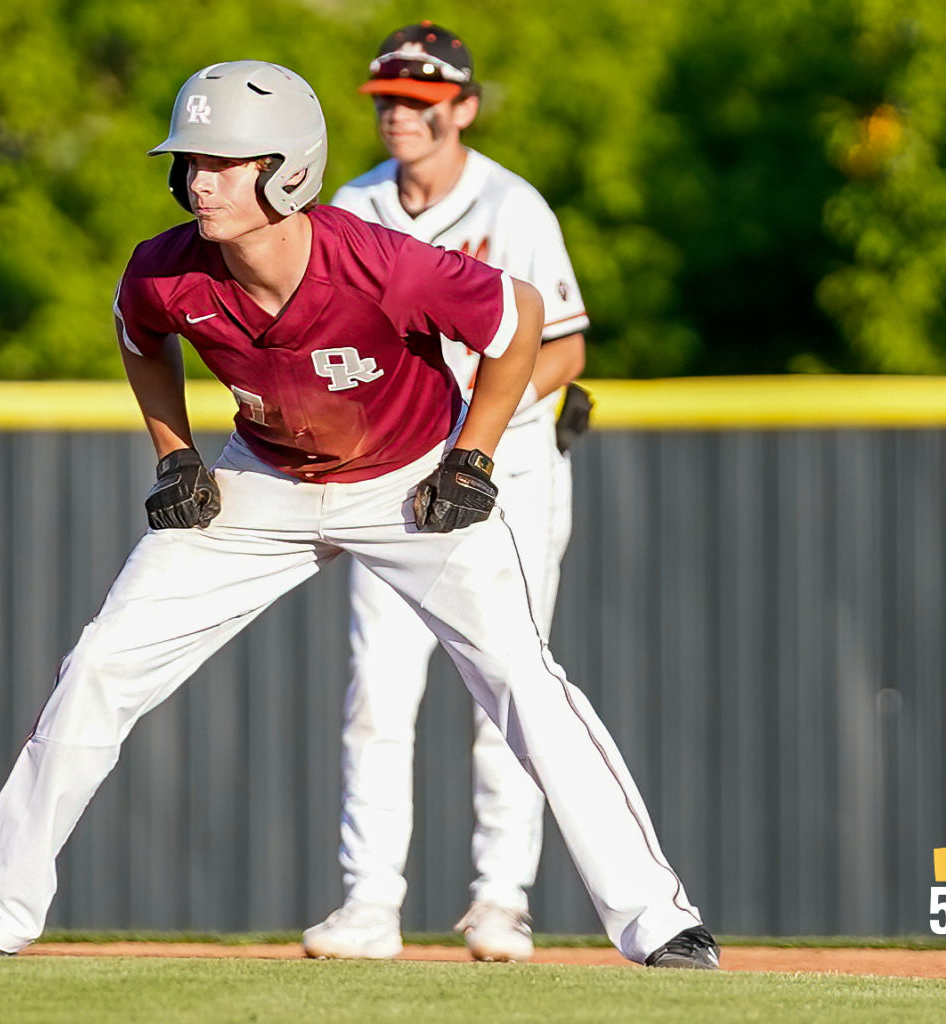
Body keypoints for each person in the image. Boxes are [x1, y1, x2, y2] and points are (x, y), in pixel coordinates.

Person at [0, 59, 718, 971]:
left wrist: (474, 454)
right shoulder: (164, 269)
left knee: (523, 683)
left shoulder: (379, 263)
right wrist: (174, 449)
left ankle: (660, 922)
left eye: (224, 161)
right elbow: (140, 338)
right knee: (101, 662)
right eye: (189, 162)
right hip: (261, 479)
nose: (197, 181)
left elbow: (522, 316)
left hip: (409, 481)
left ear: (289, 171)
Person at [303, 22, 591, 964]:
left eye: (422, 102)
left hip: (505, 469)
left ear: (463, 107)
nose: (401, 116)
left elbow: (564, 348)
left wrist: (474, 437)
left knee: (507, 687)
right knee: (379, 691)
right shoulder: (355, 202)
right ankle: (369, 904)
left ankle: (502, 899)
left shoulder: (513, 205)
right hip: (389, 472)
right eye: (389, 100)